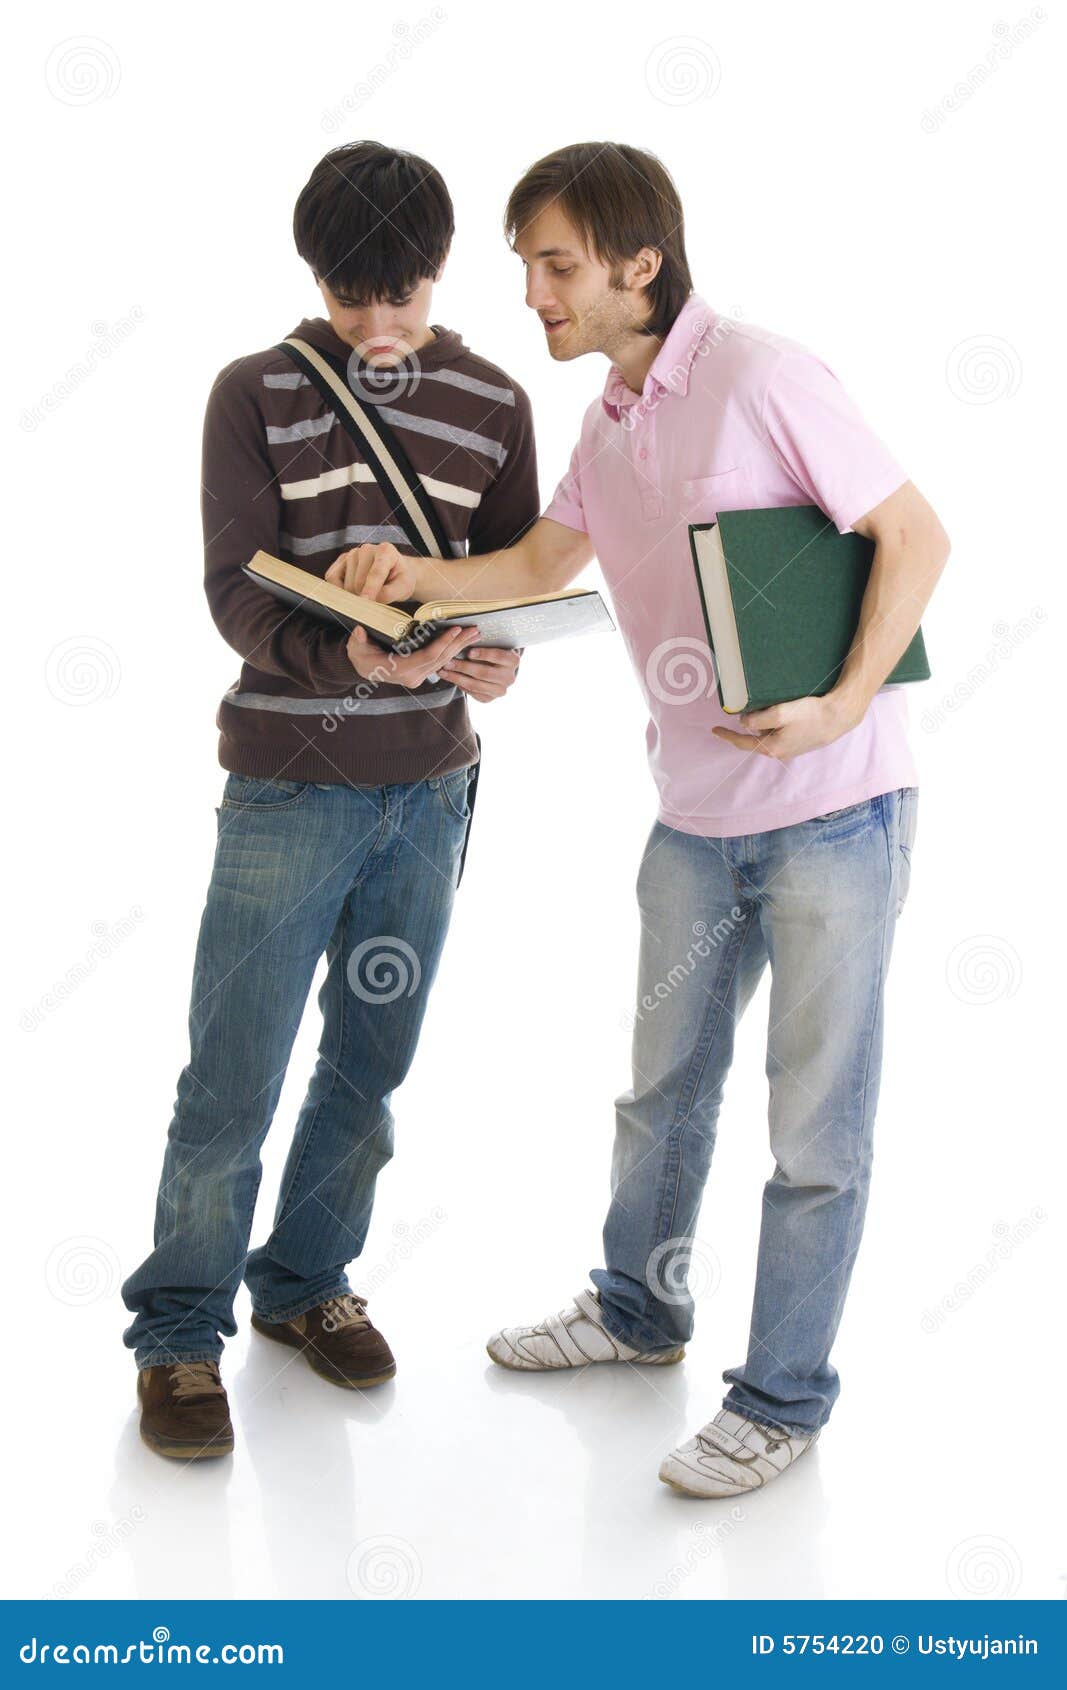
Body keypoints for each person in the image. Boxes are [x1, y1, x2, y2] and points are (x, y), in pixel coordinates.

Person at [329, 141, 950, 1499]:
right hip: (694, 817)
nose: (536, 296)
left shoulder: (765, 374)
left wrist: (844, 704)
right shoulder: (611, 418)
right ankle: (635, 1308)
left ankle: (781, 1399)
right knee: (664, 1092)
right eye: (526, 270)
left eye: (558, 267)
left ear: (638, 265)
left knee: (817, 1130)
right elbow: (546, 564)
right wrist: (406, 573)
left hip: (836, 812)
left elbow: (916, 536)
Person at [121, 141, 539, 1460]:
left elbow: (512, 584)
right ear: (313, 275)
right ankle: (181, 1331)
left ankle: (305, 1283)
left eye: (400, 293)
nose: (377, 323)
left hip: (433, 790)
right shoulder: (251, 392)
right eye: (352, 294)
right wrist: (340, 649)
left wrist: (494, 652)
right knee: (232, 1069)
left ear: (438, 270)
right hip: (287, 785)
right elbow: (234, 589)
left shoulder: (493, 400)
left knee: (372, 1059)